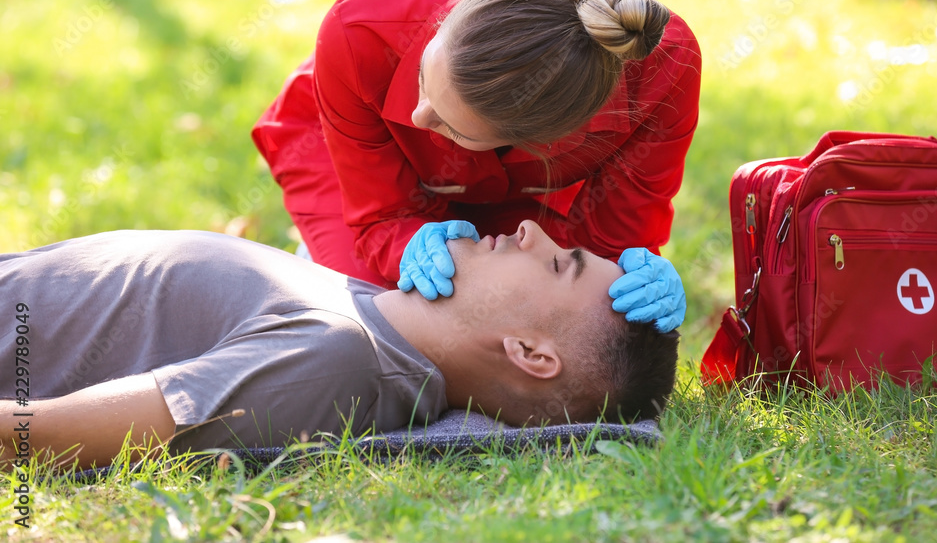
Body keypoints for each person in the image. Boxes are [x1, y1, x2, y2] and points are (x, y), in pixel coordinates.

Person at [252, 0, 699, 335]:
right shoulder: (358, 29)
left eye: (454, 128)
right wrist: (405, 241)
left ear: (542, 140)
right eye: (425, 78)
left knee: (537, 310)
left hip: (522, 181)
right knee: (387, 321)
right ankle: (318, 263)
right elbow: (382, 214)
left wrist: (624, 281)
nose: (416, 116)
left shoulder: (665, 69)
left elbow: (606, 243)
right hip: (337, 144)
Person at [0, 220, 679, 470]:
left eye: (560, 264)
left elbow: (34, 437)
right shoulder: (372, 311)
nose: (531, 229)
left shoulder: (341, 358)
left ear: (531, 353)